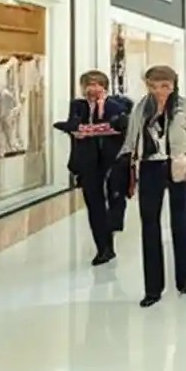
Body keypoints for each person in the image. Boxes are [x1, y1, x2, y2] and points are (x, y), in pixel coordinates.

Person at [119, 66, 186, 308]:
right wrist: (127, 163)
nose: (159, 91)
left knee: (180, 222)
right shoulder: (141, 108)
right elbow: (131, 138)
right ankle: (152, 288)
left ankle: (185, 279)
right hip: (150, 167)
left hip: (179, 166)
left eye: (165, 86)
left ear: (174, 85)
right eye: (153, 86)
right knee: (149, 225)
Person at [53, 70, 130, 266]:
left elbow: (120, 126)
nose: (92, 89)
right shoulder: (78, 105)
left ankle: (112, 229)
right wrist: (80, 128)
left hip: (113, 160)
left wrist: (94, 123)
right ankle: (103, 248)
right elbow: (73, 125)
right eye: (88, 84)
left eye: (96, 84)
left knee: (115, 197)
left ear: (104, 87)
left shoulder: (116, 105)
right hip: (87, 160)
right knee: (94, 203)